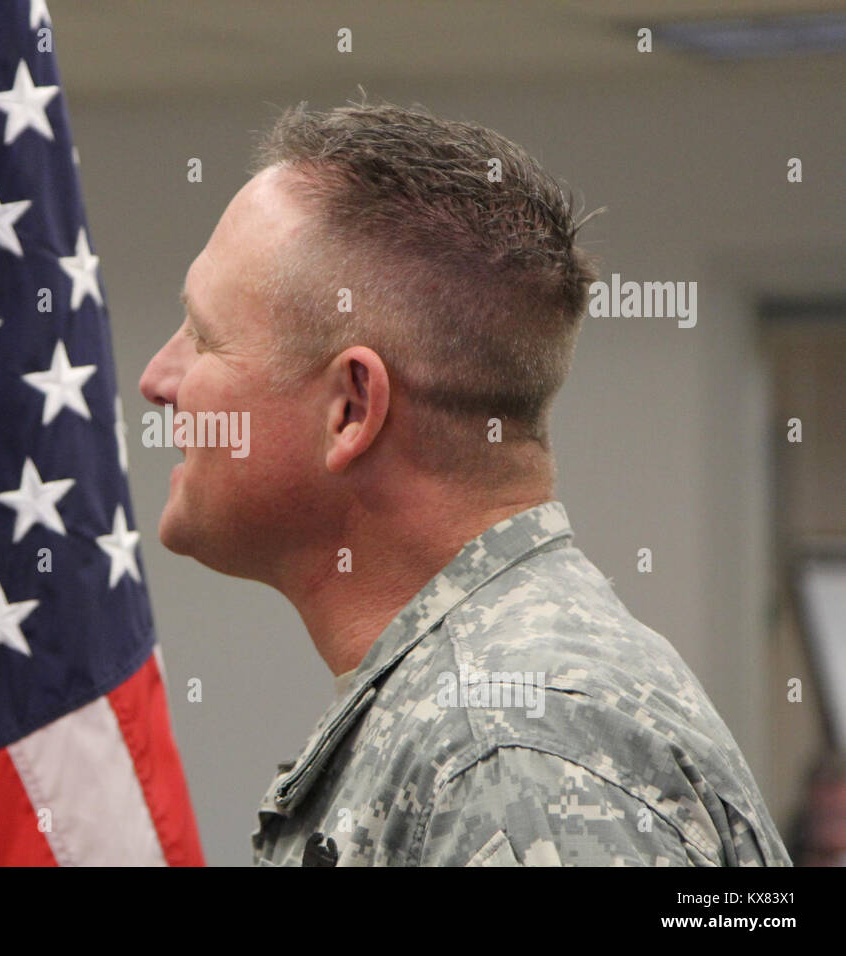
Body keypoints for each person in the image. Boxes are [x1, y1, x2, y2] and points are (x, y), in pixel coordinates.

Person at [138, 96, 791, 866]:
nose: (158, 379)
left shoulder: (511, 748)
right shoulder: (483, 709)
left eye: (204, 338)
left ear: (350, 408)